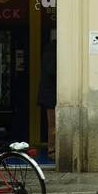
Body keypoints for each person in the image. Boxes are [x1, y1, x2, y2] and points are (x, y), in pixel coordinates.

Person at [38, 26, 58, 156]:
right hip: (50, 95)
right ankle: (52, 150)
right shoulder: (51, 54)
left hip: (48, 94)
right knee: (53, 125)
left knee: (53, 124)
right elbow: (52, 71)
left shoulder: (47, 52)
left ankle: (53, 148)